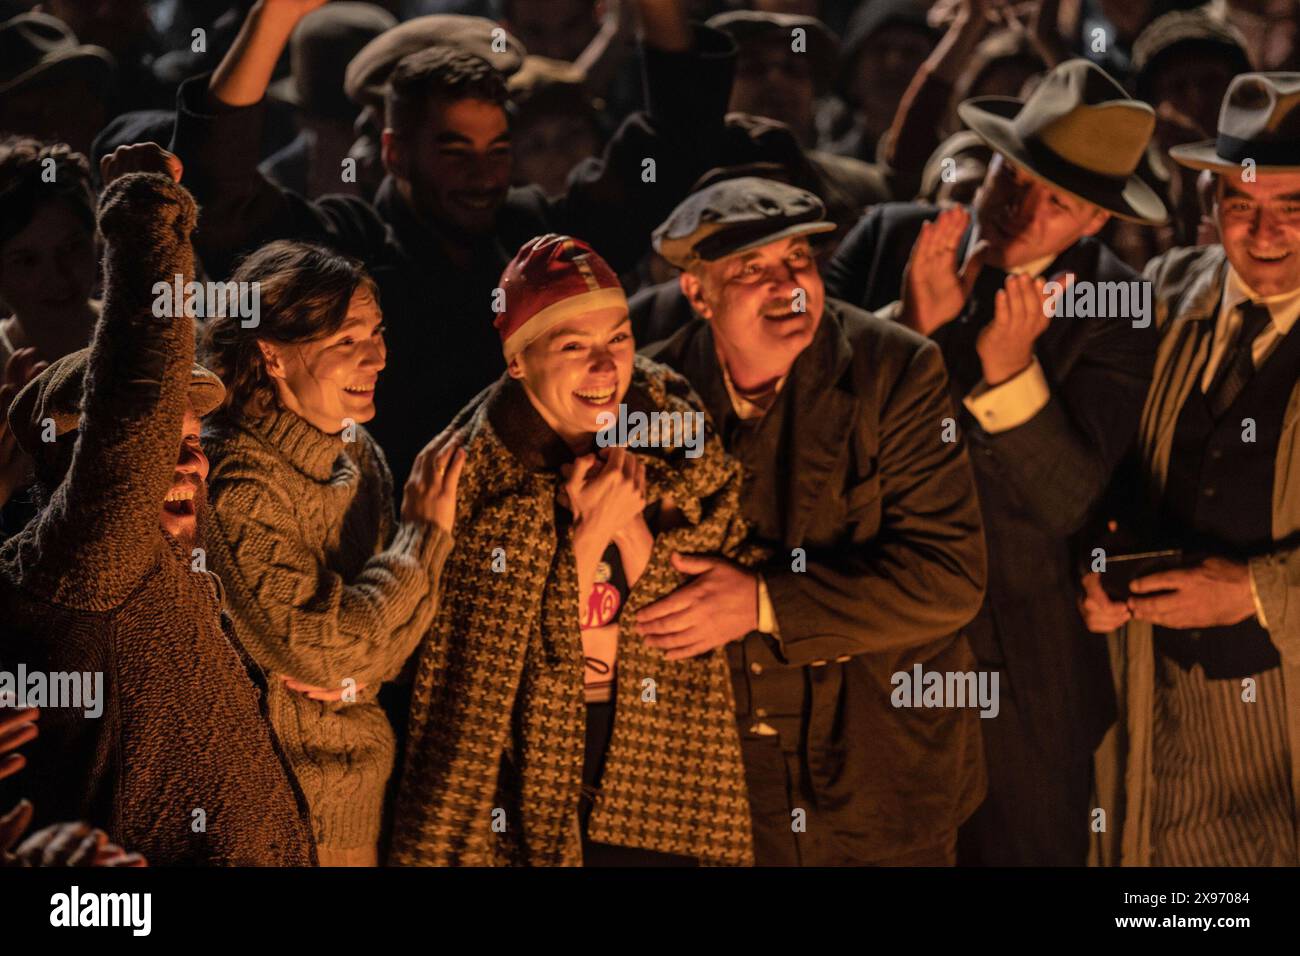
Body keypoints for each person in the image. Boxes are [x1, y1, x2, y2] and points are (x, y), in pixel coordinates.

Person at [824, 58, 1167, 866]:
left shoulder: (1115, 309)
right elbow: (810, 432)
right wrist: (910, 327)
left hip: (1024, 683)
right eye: (1015, 176)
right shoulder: (887, 238)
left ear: (1093, 223)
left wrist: (1012, 374)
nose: (1022, 208)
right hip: (870, 658)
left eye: (1059, 201)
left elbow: (1072, 499)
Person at [164, 0, 734, 481]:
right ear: (394, 152)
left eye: (499, 150)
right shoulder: (346, 249)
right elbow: (219, 195)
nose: (483, 177)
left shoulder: (534, 237)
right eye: (454, 152)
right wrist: (275, 17)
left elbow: (671, 149)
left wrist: (656, 9)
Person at [641, 178, 988, 865]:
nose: (787, 285)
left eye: (799, 260)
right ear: (697, 292)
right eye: (752, 270)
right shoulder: (651, 394)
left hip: (880, 781)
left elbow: (949, 579)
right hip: (724, 796)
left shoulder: (897, 370)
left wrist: (763, 603)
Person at [390, 235, 755, 867]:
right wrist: (588, 538)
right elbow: (481, 669)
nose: (607, 367)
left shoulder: (668, 424)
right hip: (533, 769)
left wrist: (627, 527)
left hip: (660, 755)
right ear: (518, 361)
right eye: (573, 346)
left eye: (617, 339)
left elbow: (694, 613)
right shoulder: (473, 475)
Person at [0, 168, 315, 866]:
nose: (186, 463)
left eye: (193, 442)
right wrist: (148, 214)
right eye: (152, 444)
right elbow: (133, 400)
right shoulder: (84, 572)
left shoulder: (185, 568)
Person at [1080, 72, 1300, 866]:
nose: (1263, 233)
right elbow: (1101, 469)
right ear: (1210, 208)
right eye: (1241, 206)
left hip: (1284, 711)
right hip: (1158, 691)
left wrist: (1253, 591)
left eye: (1292, 210)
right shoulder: (1165, 299)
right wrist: (1098, 569)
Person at [199, 240, 463, 867]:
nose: (378, 356)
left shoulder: (359, 453)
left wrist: (353, 677)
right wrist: (423, 540)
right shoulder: (236, 477)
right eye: (347, 341)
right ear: (272, 354)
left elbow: (394, 643)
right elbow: (321, 647)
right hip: (268, 809)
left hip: (358, 793)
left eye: (376, 333)